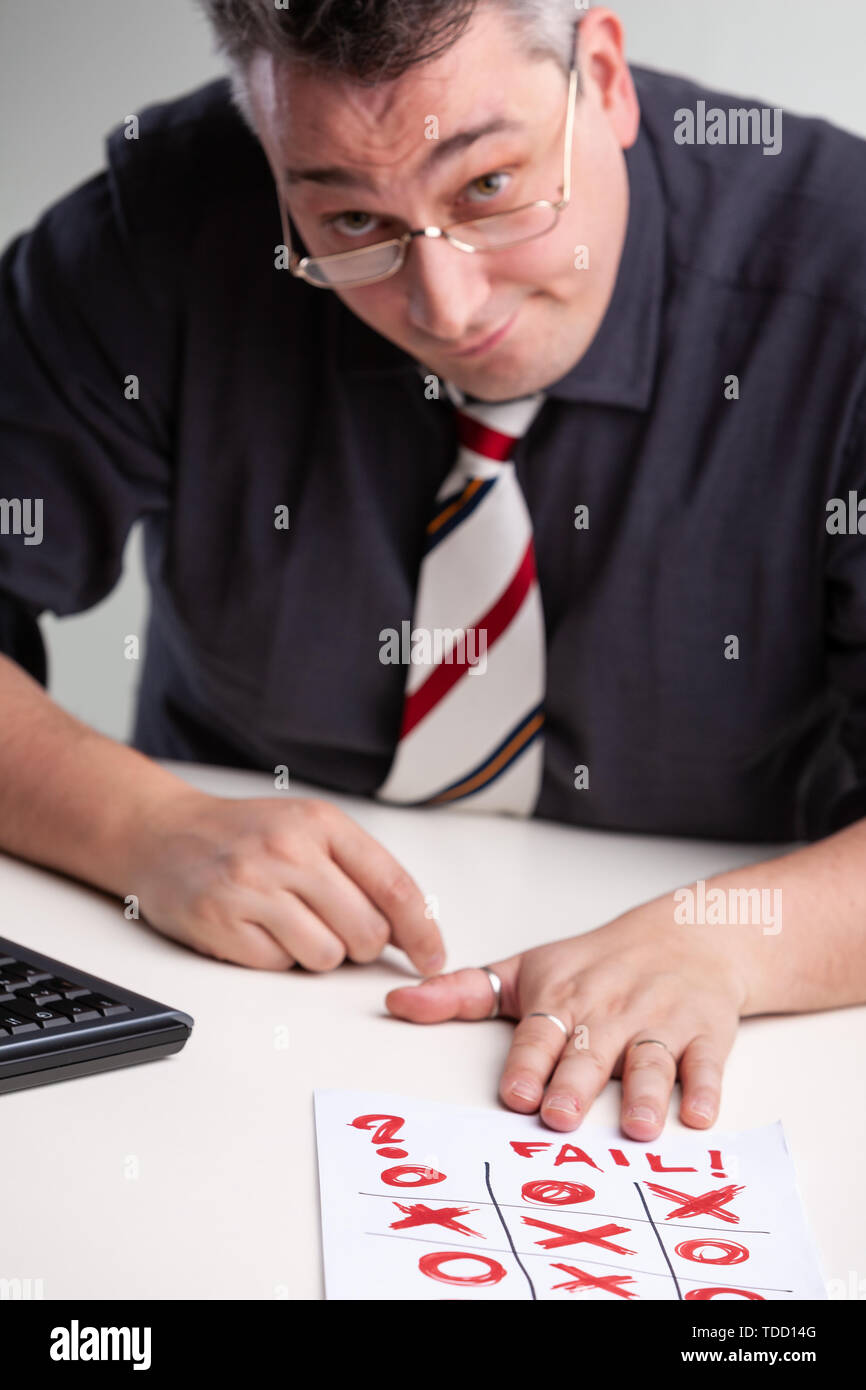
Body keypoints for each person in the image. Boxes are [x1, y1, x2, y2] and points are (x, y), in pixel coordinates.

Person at [1, 0, 865, 1142]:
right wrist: (137, 828)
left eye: (489, 189)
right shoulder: (159, 226)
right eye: (350, 219)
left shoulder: (842, 272)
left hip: (732, 1034)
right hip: (224, 1008)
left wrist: (730, 937)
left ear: (600, 78)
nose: (444, 305)